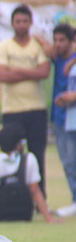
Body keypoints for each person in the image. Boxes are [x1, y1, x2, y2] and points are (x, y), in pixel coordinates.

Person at [0, 5, 50, 197]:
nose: (21, 24)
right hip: (12, 109)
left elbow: (44, 72)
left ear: (31, 22)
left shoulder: (38, 45)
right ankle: (12, 195)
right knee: (12, 155)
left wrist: (16, 70)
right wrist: (31, 72)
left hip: (36, 109)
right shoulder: (3, 46)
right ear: (12, 23)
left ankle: (40, 198)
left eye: (25, 21)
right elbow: (2, 75)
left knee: (36, 155)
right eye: (18, 21)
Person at [0, 123, 54, 224]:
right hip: (24, 214)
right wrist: (49, 219)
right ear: (18, 144)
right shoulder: (29, 159)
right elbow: (35, 190)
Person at [47, 24, 75, 215]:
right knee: (66, 161)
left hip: (72, 117)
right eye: (55, 40)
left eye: (62, 40)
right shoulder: (56, 59)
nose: (58, 44)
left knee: (72, 160)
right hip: (60, 118)